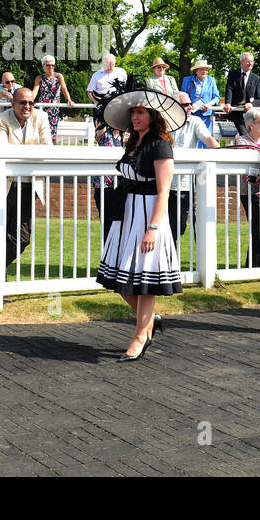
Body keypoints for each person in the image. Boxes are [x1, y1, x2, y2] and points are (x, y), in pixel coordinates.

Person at [94, 83, 187, 360]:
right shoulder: (133, 143)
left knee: (145, 280)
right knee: (116, 277)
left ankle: (139, 336)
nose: (135, 117)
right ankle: (150, 321)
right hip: (125, 213)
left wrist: (153, 228)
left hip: (148, 215)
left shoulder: (160, 147)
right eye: (133, 113)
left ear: (153, 115)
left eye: (141, 112)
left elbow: (164, 191)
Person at [0, 86, 53, 281]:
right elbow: (2, 151)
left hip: (29, 186)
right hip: (2, 185)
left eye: (31, 102)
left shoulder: (41, 118)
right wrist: (31, 154)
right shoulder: (0, 119)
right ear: (13, 103)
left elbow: (48, 150)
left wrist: (23, 155)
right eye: (23, 102)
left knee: (22, 239)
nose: (27, 106)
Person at [166, 91, 219, 241]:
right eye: (186, 105)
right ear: (175, 106)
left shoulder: (195, 121)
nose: (190, 107)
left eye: (190, 104)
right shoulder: (164, 123)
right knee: (166, 226)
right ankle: (165, 262)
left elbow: (209, 139)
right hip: (163, 183)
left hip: (185, 184)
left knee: (179, 226)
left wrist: (220, 153)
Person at [233, 107, 260, 272]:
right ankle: (253, 265)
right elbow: (247, 154)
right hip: (250, 191)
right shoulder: (241, 140)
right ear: (251, 124)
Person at [32, 55, 74, 140]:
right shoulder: (39, 78)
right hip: (42, 108)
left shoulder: (58, 76)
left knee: (52, 135)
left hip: (54, 109)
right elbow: (35, 91)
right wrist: (29, 101)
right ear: (43, 66)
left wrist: (69, 100)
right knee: (41, 133)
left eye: (53, 65)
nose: (51, 67)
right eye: (48, 65)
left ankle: (53, 152)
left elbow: (64, 88)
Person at [181, 60, 221, 134]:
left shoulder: (211, 80)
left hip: (207, 114)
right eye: (201, 69)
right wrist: (189, 104)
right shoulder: (187, 80)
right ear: (196, 71)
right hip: (192, 113)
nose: (204, 71)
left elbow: (216, 97)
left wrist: (209, 104)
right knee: (192, 137)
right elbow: (183, 96)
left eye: (206, 69)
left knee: (207, 137)